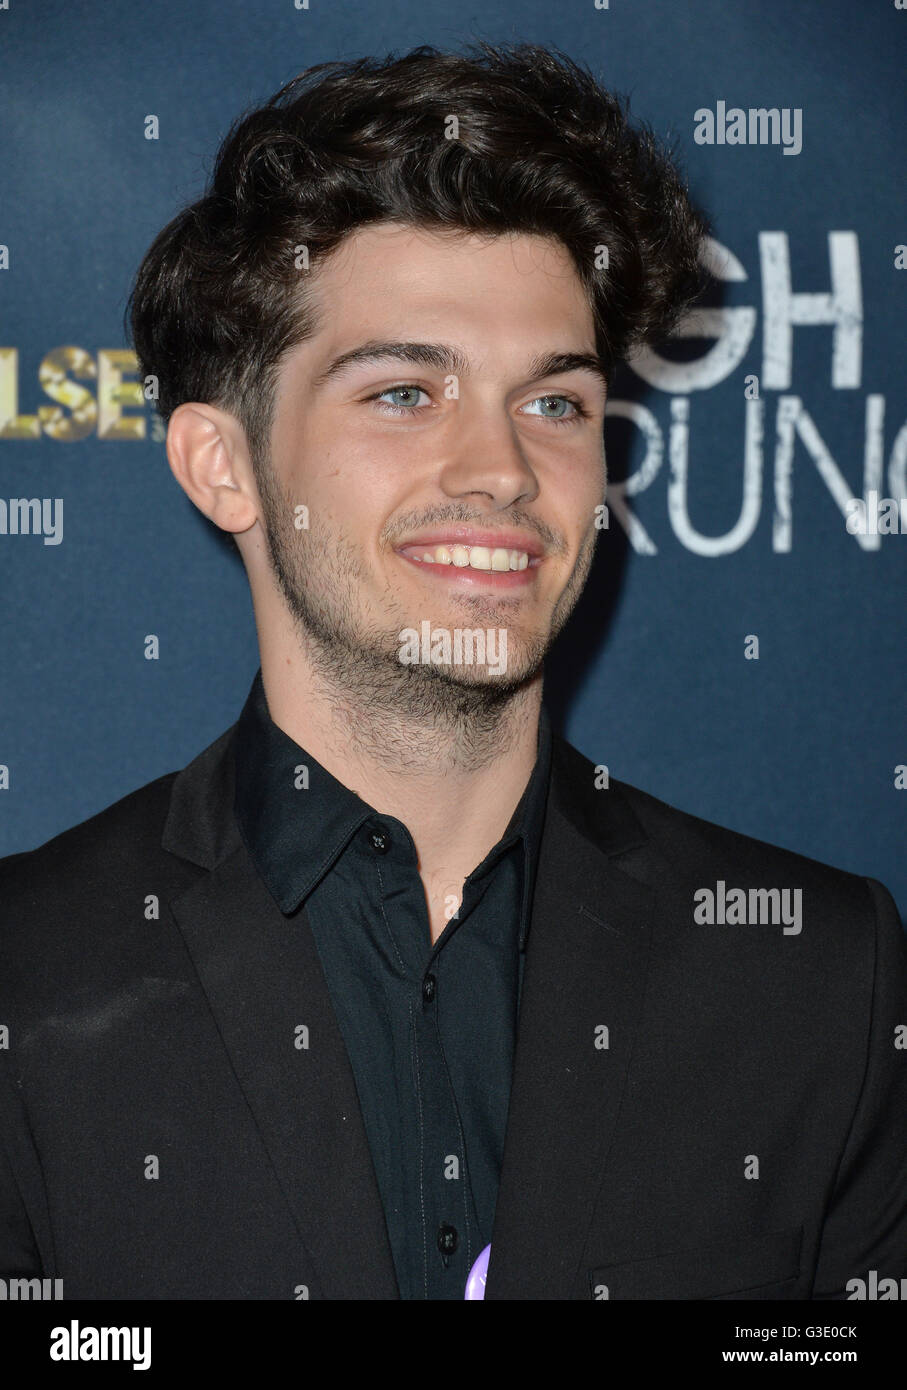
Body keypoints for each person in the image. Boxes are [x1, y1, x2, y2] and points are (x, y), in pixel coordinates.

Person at [1, 42, 904, 1301]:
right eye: (404, 392)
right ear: (224, 465)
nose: (503, 471)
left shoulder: (817, 974)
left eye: (554, 404)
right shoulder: (29, 977)